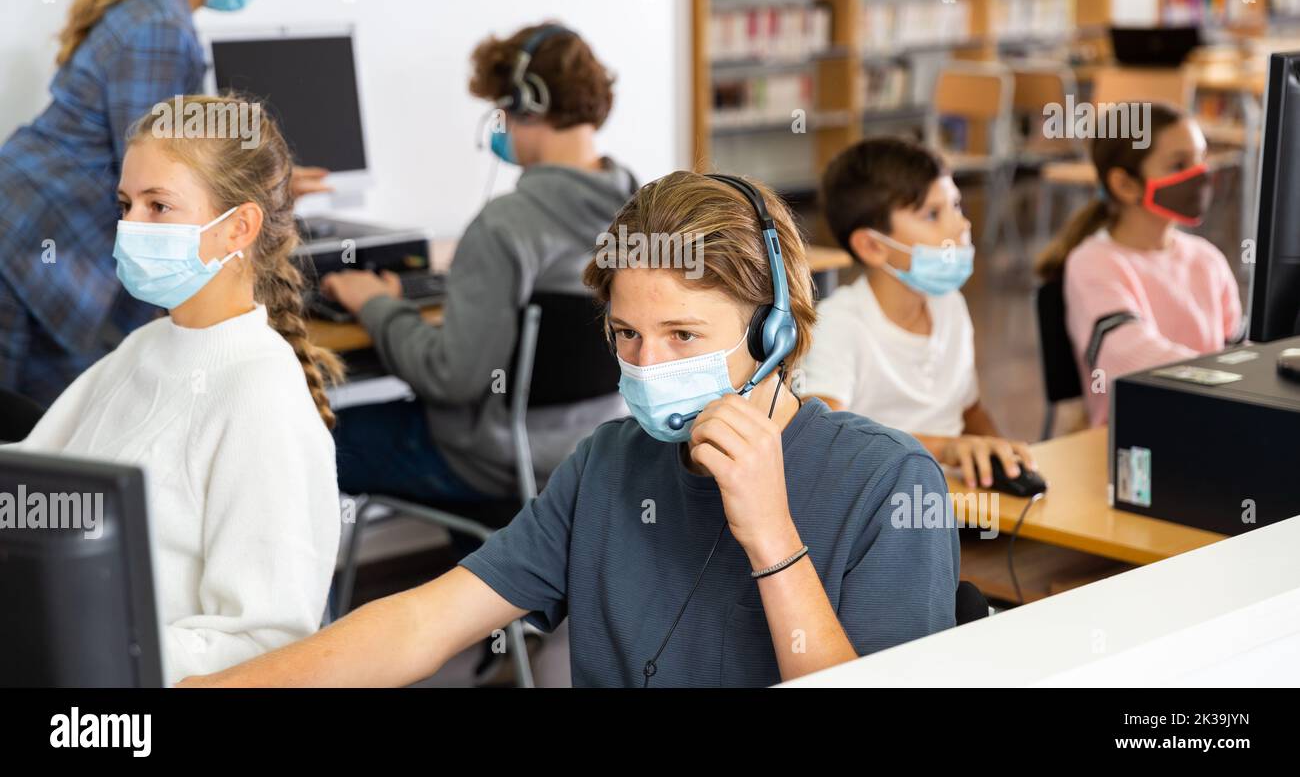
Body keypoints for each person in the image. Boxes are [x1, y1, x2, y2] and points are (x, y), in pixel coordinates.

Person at [181, 171, 959, 688]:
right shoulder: (611, 465)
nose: (647, 366)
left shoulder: (888, 485)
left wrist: (772, 538)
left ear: (776, 335)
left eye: (683, 336)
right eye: (626, 335)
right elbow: (423, 622)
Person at [5, 97, 341, 684]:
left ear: (238, 226)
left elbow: (266, 644)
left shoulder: (260, 396)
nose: (131, 226)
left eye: (159, 206)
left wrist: (95, 646)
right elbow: (33, 480)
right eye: (126, 204)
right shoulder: (147, 348)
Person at [0, 0, 327, 406]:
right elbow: (163, 184)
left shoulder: (156, 14)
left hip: (32, 239)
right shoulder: (157, 29)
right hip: (33, 253)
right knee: (38, 451)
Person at [320, 23, 636, 502]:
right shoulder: (647, 215)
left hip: (494, 462)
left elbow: (451, 378)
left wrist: (378, 306)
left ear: (527, 104)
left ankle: (489, 559)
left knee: (311, 438)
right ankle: (495, 564)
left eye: (502, 110)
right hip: (598, 454)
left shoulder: (503, 228)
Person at [802, 138, 1035, 488]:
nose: (960, 226)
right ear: (872, 246)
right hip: (883, 509)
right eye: (932, 214)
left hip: (953, 498)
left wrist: (1001, 458)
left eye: (956, 205)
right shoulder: (840, 324)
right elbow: (824, 438)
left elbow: (969, 410)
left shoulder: (950, 306)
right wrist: (945, 449)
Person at [1036, 101, 1242, 426]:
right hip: (1136, 444)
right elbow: (1127, 357)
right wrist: (1229, 374)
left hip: (1210, 426)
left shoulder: (1207, 259)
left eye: (1202, 159)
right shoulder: (1093, 263)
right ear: (1125, 184)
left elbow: (1244, 351)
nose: (1200, 175)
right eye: (1179, 165)